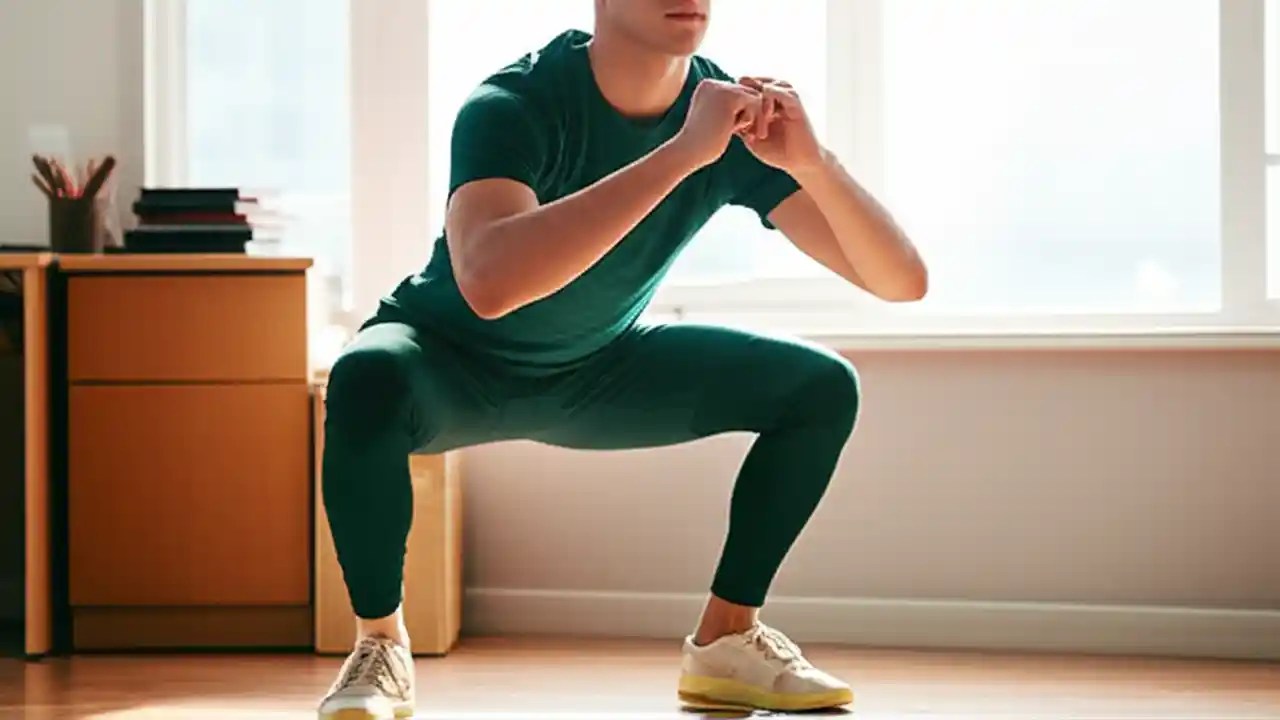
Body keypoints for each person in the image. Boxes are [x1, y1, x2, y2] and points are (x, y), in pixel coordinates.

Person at [317, 0, 926, 717]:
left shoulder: (724, 124)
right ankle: (380, 645)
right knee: (364, 373)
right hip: (449, 366)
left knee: (821, 388)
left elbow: (900, 282)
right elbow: (489, 285)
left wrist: (814, 164)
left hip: (597, 369)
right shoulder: (513, 103)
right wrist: (679, 154)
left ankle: (727, 638)